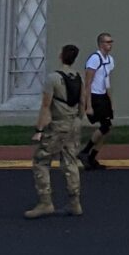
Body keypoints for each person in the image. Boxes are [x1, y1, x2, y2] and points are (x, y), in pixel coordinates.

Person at [26, 42, 85, 218]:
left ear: (61, 56)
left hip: (58, 125)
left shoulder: (53, 78)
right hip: (74, 123)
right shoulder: (79, 77)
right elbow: (83, 103)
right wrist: (77, 120)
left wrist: (39, 129)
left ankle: (45, 202)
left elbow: (46, 106)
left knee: (41, 160)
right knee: (70, 161)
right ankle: (75, 202)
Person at [81, 33, 116, 169]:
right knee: (105, 125)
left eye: (111, 42)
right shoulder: (94, 59)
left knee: (107, 128)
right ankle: (85, 152)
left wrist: (110, 101)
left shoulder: (110, 60)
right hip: (94, 96)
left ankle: (91, 157)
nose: (110, 44)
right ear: (101, 44)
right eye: (107, 42)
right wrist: (88, 105)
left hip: (103, 96)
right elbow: (88, 83)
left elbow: (107, 81)